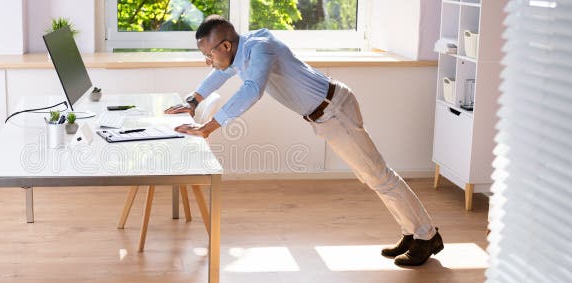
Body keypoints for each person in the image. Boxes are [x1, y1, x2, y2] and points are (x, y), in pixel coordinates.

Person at [165, 15, 443, 266]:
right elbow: (221, 72)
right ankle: (413, 232)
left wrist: (210, 126)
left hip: (335, 110)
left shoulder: (260, 48)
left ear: (225, 46)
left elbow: (252, 90)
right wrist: (193, 100)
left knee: (378, 175)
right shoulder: (241, 49)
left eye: (208, 54)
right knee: (373, 176)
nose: (207, 61)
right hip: (327, 112)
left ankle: (426, 236)